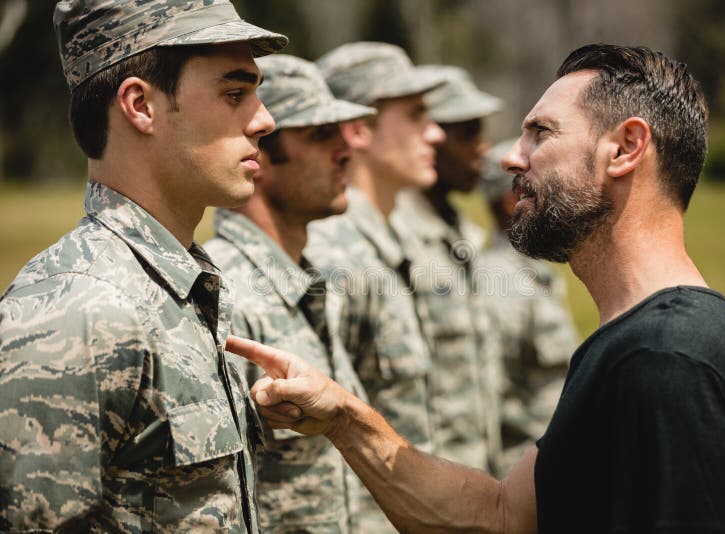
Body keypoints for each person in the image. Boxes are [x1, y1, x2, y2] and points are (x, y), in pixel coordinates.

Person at [227, 44, 725, 533]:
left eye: (541, 133)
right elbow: (502, 515)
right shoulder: (634, 343)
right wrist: (346, 419)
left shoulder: (666, 361)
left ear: (625, 148)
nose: (510, 157)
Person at [0, 1, 286, 531]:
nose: (264, 119)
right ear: (140, 105)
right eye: (234, 93)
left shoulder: (181, 287)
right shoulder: (78, 312)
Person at [203, 54, 375, 533]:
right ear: (259, 153)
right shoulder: (230, 296)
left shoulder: (313, 284)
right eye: (320, 135)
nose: (346, 151)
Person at [303, 41, 446, 532]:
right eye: (415, 115)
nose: (436, 132)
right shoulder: (332, 257)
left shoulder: (392, 243)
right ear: (359, 129)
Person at [389, 64, 504, 472]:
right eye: (468, 132)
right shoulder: (394, 240)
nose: (483, 148)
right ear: (429, 136)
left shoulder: (464, 237)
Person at [477, 139, 580, 475]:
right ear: (512, 201)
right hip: (523, 477)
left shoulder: (533, 272)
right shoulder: (500, 283)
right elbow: (486, 399)